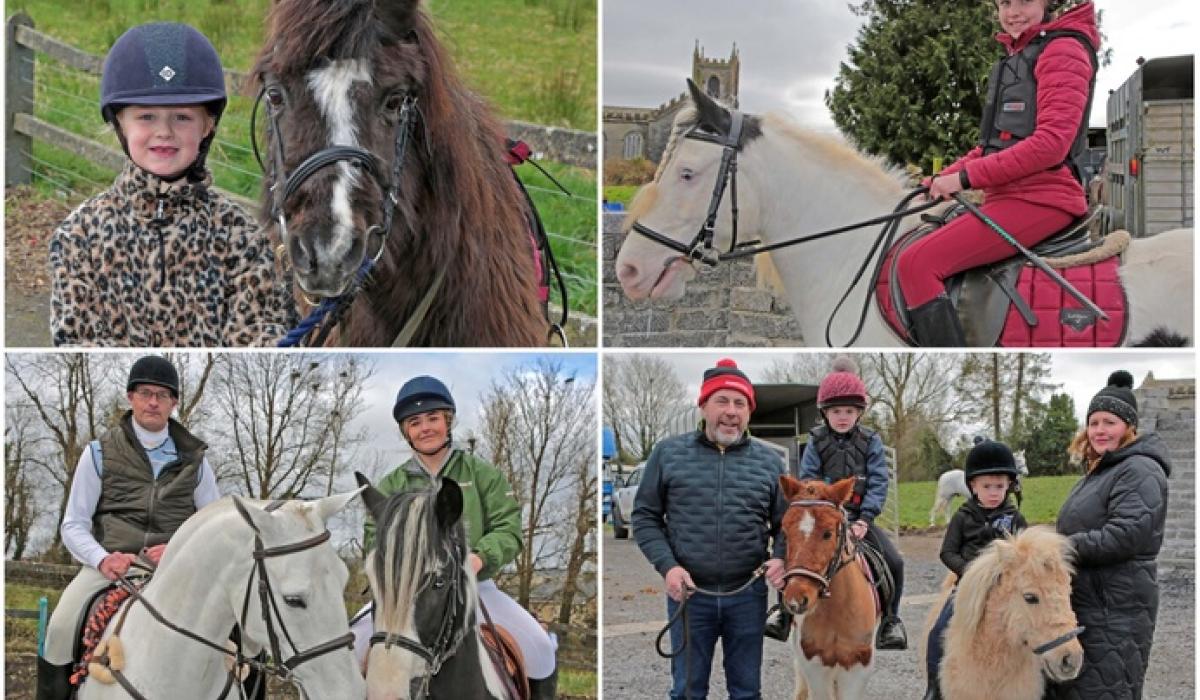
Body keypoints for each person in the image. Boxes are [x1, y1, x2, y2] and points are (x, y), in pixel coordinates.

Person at [49, 22, 293, 347]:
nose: (164, 131)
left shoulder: (241, 237)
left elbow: (259, 338)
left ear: (208, 126)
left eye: (182, 117)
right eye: (146, 117)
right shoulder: (79, 236)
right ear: (120, 123)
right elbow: (76, 341)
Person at [897, 0, 1100, 346]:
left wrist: (963, 179)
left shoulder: (1062, 49)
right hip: (1010, 195)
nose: (1013, 12)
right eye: (1005, 2)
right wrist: (942, 176)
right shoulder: (1019, 56)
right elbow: (991, 149)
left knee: (916, 264)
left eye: (1024, 1)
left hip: (1041, 198)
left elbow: (1051, 144)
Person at [351, 376, 559, 699]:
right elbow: (373, 539)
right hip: (403, 595)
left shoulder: (482, 474)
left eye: (433, 418)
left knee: (541, 648)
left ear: (447, 421)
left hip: (475, 586)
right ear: (406, 431)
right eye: (415, 422)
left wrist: (478, 558)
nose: (425, 428)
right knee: (350, 648)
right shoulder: (391, 485)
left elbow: (509, 528)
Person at [37, 356, 223, 700]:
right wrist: (103, 560)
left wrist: (178, 549)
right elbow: (74, 524)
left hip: (175, 566)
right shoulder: (97, 453)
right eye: (145, 393)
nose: (153, 402)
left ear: (174, 402)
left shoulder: (197, 461)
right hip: (111, 565)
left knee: (244, 636)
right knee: (61, 627)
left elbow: (212, 524)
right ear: (131, 398)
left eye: (162, 395)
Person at [632, 358, 787, 700]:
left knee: (746, 692)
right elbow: (644, 516)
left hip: (747, 594)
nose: (731, 411)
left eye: (740, 403)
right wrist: (668, 567)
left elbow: (786, 524)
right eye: (722, 401)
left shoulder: (769, 463)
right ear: (703, 406)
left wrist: (780, 558)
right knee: (687, 691)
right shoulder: (668, 454)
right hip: (689, 596)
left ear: (749, 412)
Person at [769, 356, 907, 649]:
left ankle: (891, 621)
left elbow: (878, 481)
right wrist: (825, 510)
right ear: (825, 413)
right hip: (822, 517)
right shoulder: (816, 441)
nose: (842, 417)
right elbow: (808, 480)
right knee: (793, 554)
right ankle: (781, 613)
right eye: (835, 411)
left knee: (894, 561)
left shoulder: (871, 442)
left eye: (849, 411)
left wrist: (864, 519)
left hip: (859, 517)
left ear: (859, 413)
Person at [1048, 371, 1170, 700]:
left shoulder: (1139, 469)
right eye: (1094, 422)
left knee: (1105, 691)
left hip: (1115, 611)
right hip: (1092, 605)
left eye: (1110, 422)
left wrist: (1059, 548)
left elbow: (1125, 534)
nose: (1100, 430)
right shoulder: (1103, 470)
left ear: (1129, 427)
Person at [924, 439, 1028, 700]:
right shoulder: (962, 517)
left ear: (1009, 486)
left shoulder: (1015, 518)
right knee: (938, 631)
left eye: (1000, 486)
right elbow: (947, 552)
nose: (994, 492)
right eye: (987, 487)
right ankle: (934, 688)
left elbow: (1026, 555)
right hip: (967, 587)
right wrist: (969, 572)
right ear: (972, 486)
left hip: (1007, 589)